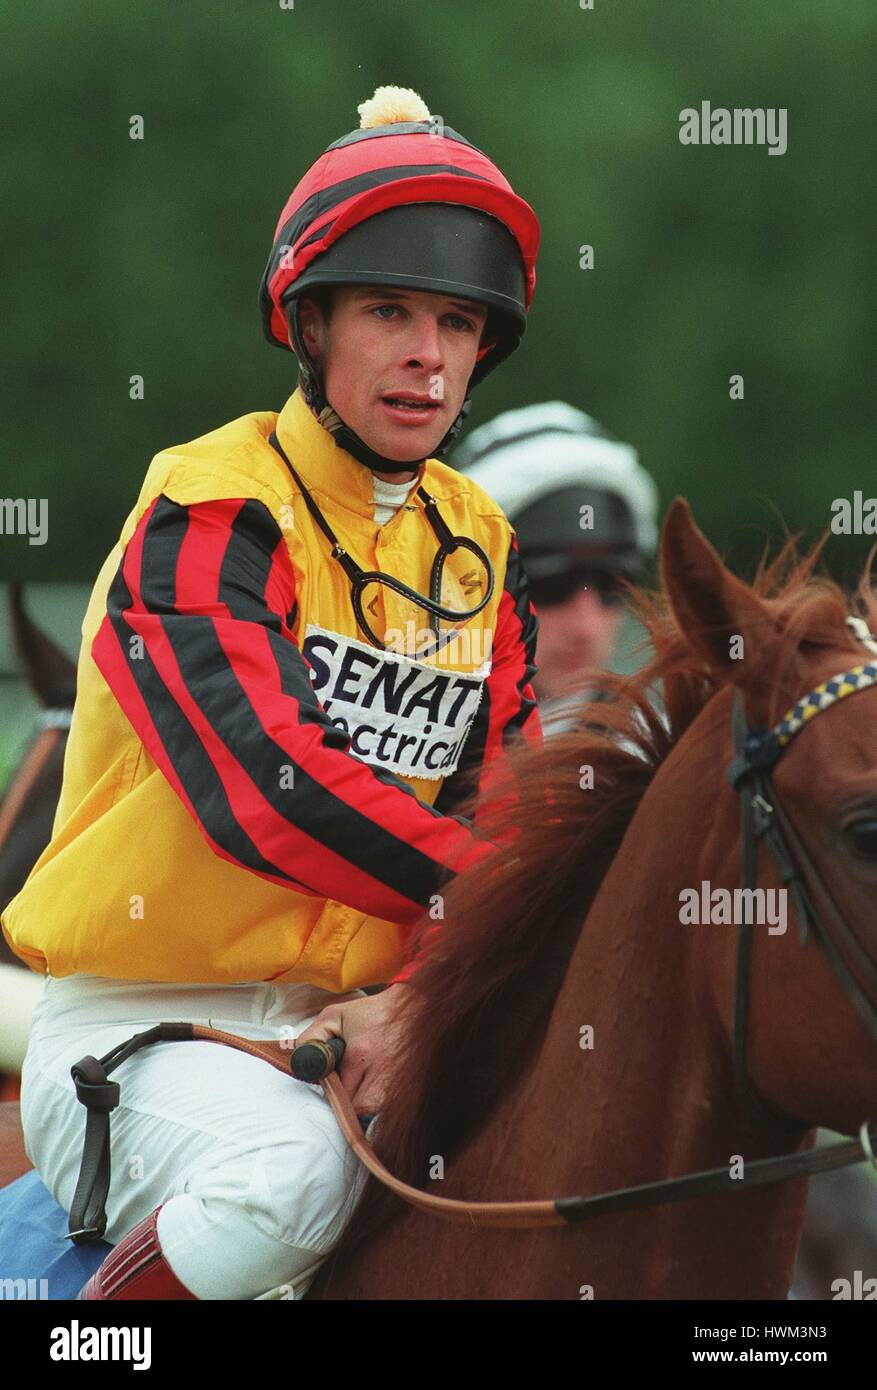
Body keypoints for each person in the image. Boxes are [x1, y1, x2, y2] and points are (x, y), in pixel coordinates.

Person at [1, 85, 542, 1300]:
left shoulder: (487, 548)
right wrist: (491, 903)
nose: (425, 353)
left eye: (457, 323)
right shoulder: (205, 508)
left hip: (375, 1013)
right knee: (293, 1174)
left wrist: (414, 998)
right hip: (137, 1029)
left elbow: (510, 798)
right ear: (309, 326)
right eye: (388, 311)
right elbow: (266, 785)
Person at [452, 401, 658, 732]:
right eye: (551, 584)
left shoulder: (663, 766)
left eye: (613, 584)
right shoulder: (379, 753)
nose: (586, 628)